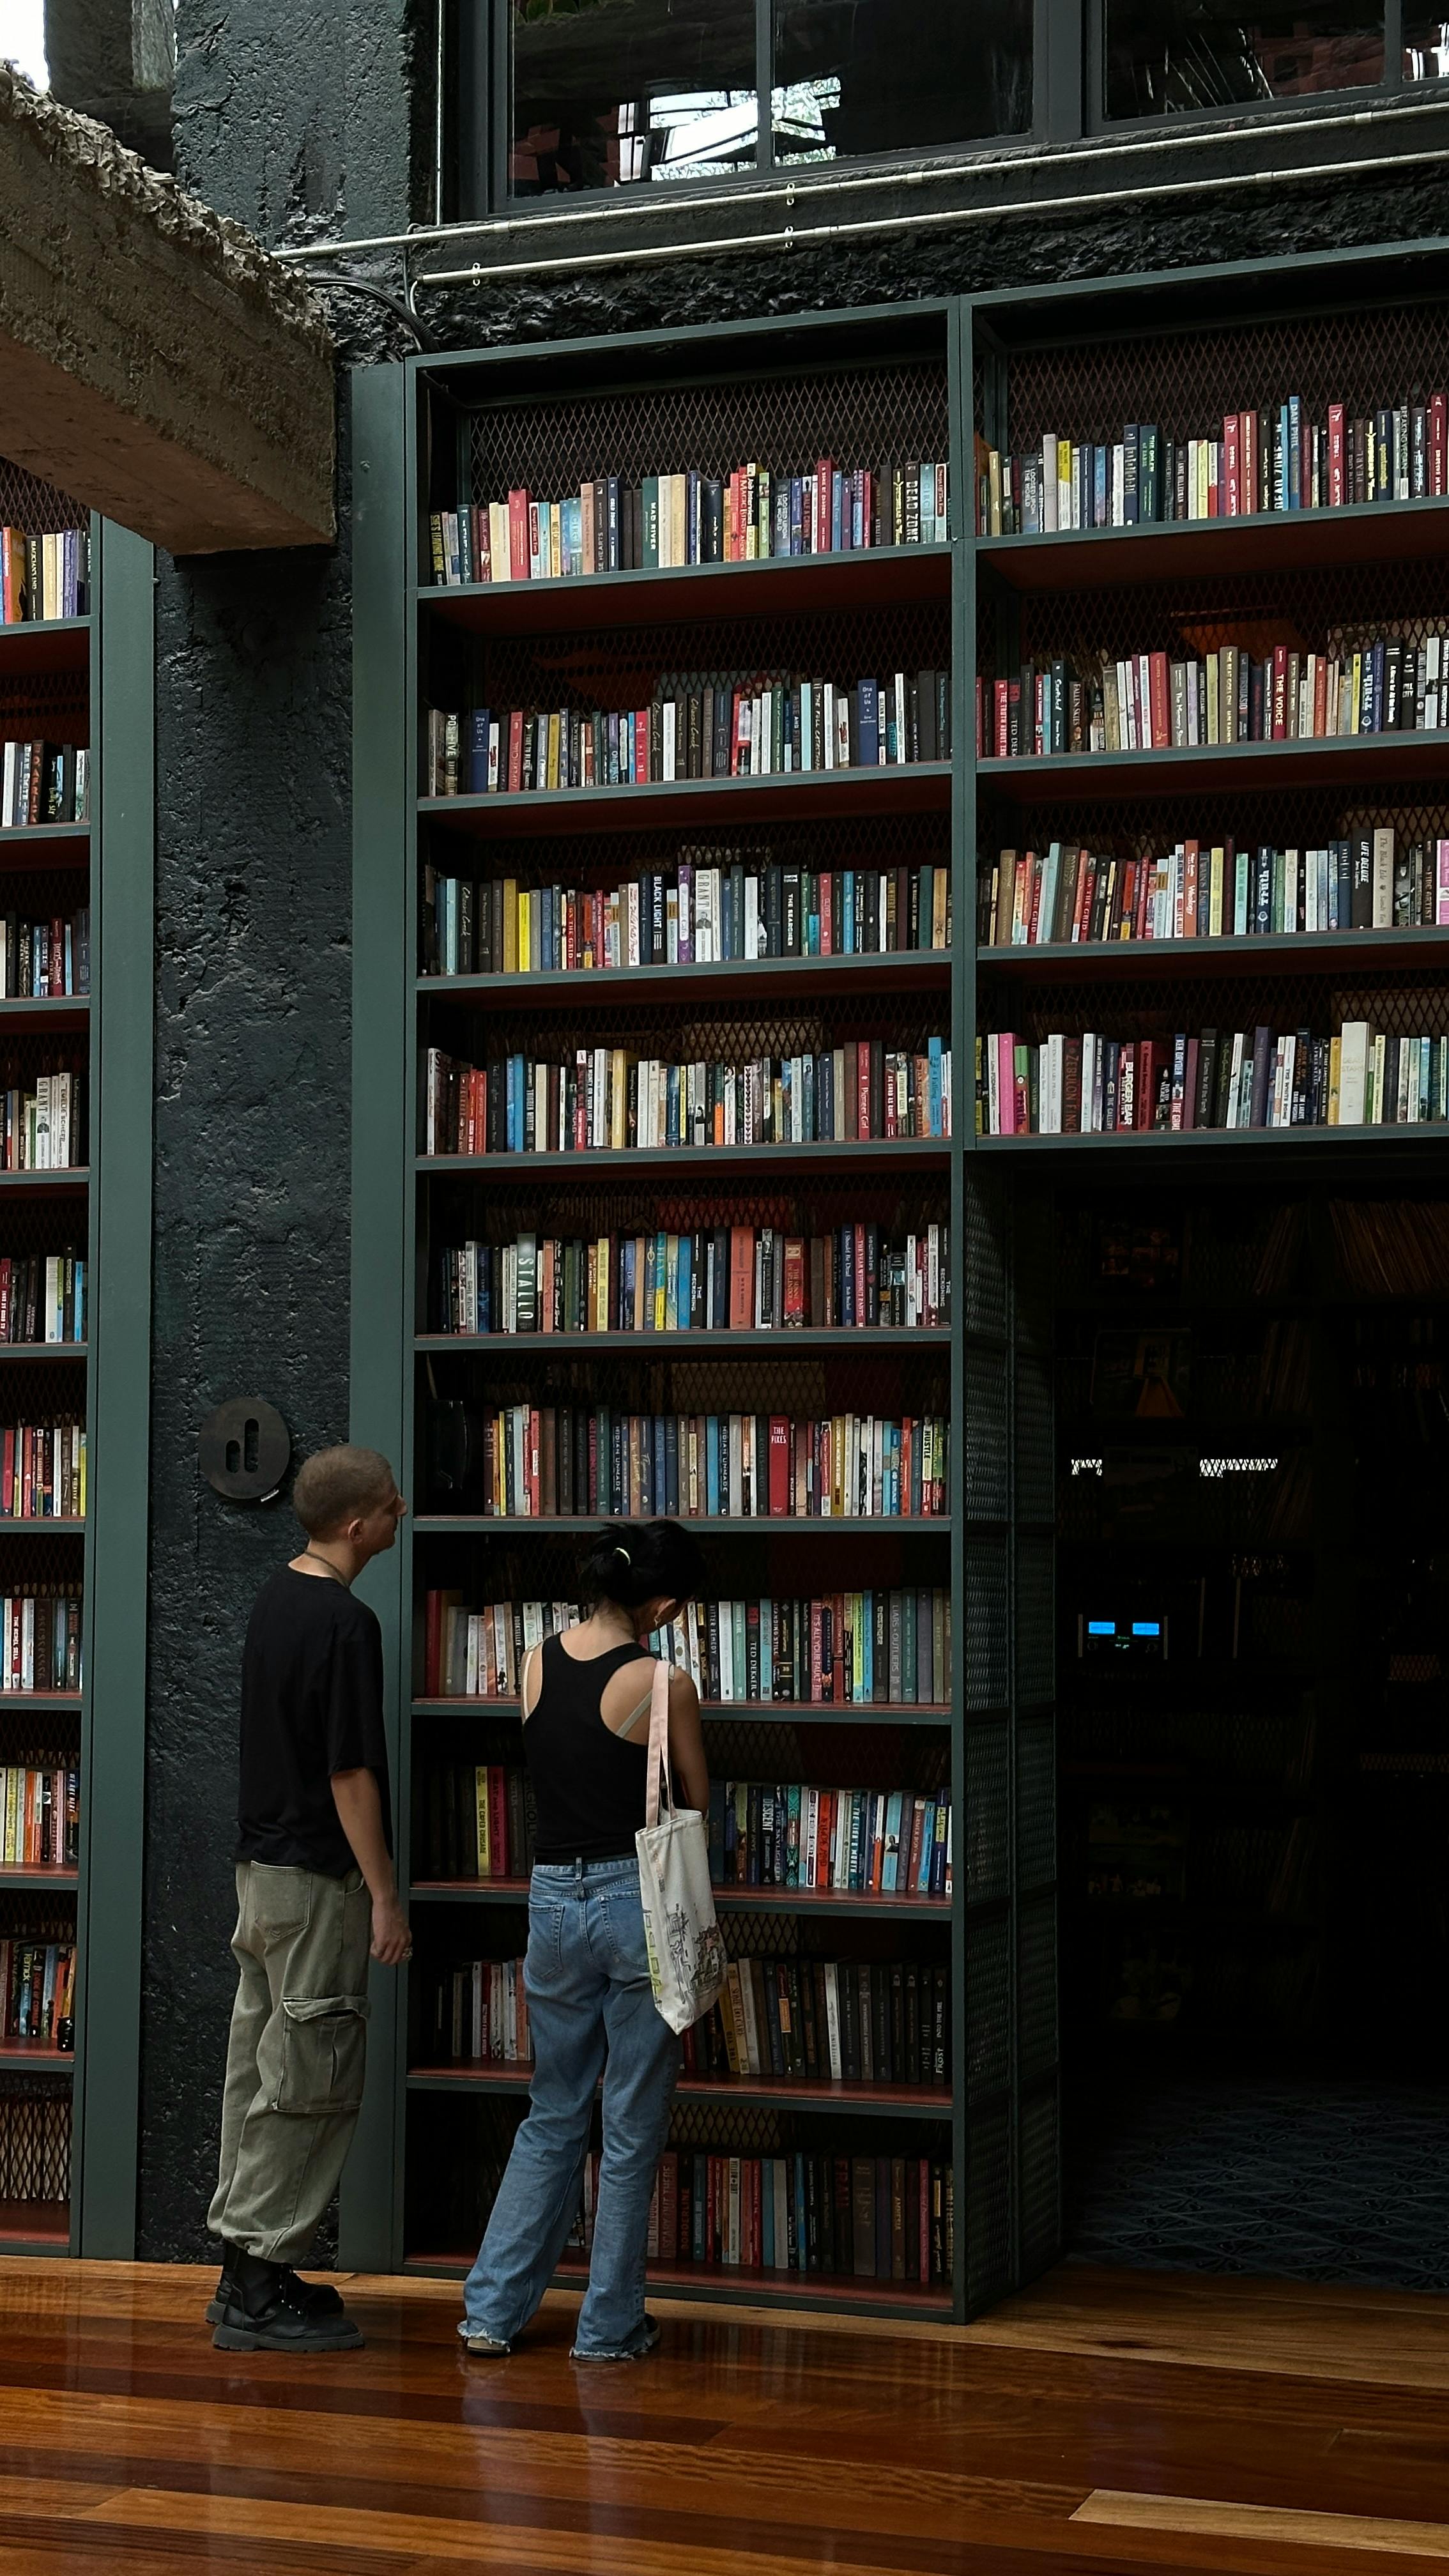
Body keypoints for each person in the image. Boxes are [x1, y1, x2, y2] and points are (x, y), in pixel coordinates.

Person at [459, 1517, 709, 2362]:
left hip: (552, 1904)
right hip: (633, 1901)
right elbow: (695, 1799)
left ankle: (492, 2312)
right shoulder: (661, 1681)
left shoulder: (532, 1659)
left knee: (552, 2111)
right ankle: (608, 2328)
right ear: (664, 1604)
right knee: (631, 2126)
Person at [206, 1443, 410, 2354]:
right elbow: (351, 1772)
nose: (402, 1510)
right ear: (359, 1525)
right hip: (317, 1879)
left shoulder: (273, 1601)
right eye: (392, 1504)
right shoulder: (344, 1622)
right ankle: (257, 2288)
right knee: (312, 2080)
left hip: (260, 1875)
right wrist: (385, 1896)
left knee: (259, 2072)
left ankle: (249, 2271)